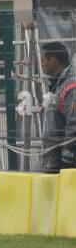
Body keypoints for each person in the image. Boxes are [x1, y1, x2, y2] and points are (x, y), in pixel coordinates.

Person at [41, 41, 76, 174]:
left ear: (53, 60)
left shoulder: (71, 86)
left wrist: (67, 159)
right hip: (53, 160)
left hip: (62, 165)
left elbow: (74, 125)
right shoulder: (59, 85)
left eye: (44, 60)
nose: (42, 65)